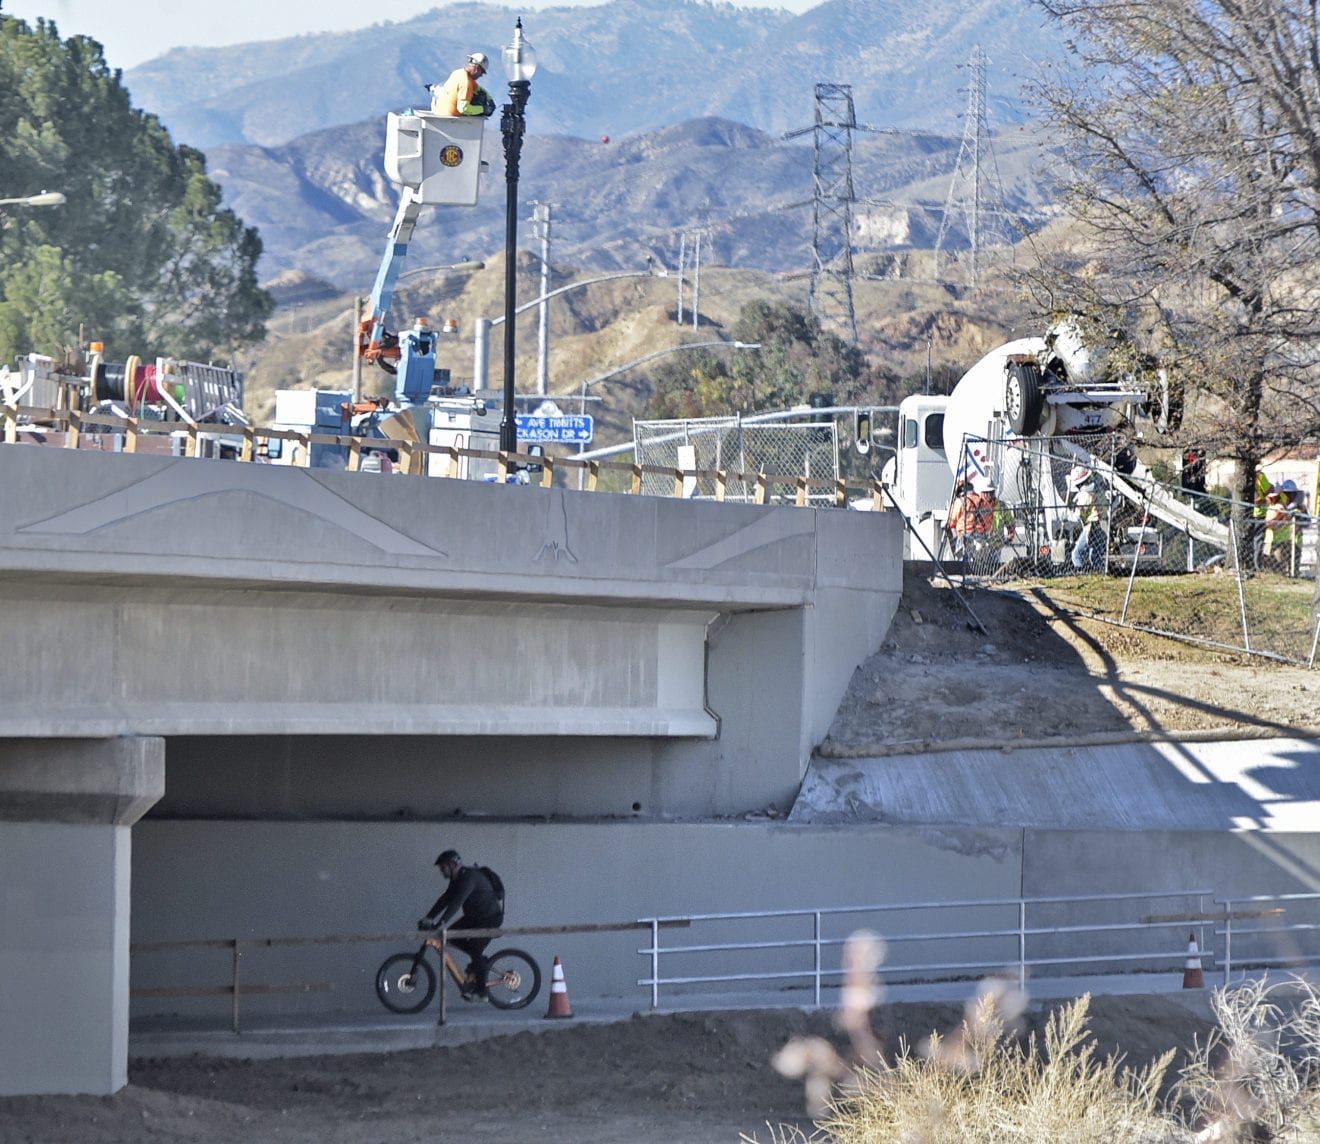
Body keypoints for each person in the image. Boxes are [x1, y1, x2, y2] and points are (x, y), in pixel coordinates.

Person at [417, 849, 504, 998]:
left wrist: (441, 922)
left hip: (489, 919)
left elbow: (457, 903)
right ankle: (480, 963)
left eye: (443, 868)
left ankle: (482, 993)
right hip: (474, 918)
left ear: (452, 865)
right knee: (449, 937)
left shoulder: (469, 878)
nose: (442, 871)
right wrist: (429, 918)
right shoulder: (457, 879)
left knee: (475, 950)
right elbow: (445, 899)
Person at [429, 51, 497, 118]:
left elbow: (479, 89)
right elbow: (463, 108)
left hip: (441, 114)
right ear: (477, 68)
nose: (481, 75)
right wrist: (483, 109)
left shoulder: (458, 73)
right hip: (451, 121)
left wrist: (489, 99)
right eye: (482, 72)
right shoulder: (466, 82)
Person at [1067, 466, 1107, 571]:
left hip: (1090, 527)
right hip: (1099, 525)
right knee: (1093, 554)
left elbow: (1078, 515)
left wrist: (1067, 515)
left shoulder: (1084, 496)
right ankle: (1098, 572)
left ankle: (1080, 571)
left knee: (1076, 554)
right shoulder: (1097, 492)